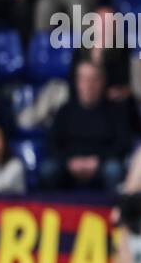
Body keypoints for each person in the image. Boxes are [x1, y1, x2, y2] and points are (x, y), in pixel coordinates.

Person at [41, 60, 130, 190]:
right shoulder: (65, 111)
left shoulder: (116, 111)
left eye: (93, 79)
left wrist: (97, 160)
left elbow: (122, 144)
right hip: (69, 165)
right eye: (84, 79)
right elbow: (52, 144)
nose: (89, 85)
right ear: (77, 83)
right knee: (48, 170)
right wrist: (69, 161)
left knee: (113, 170)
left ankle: (114, 209)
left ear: (102, 82)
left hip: (101, 164)